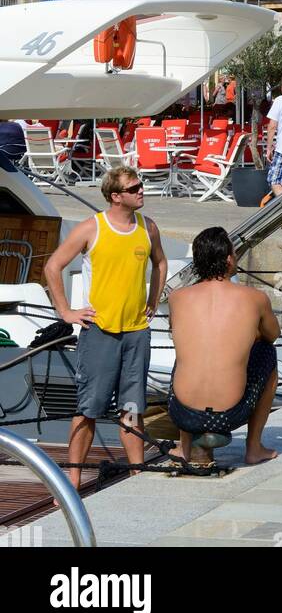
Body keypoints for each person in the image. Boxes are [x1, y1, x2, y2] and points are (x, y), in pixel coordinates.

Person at [44, 166, 168, 492]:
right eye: (135, 187)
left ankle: (138, 477)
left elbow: (161, 262)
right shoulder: (91, 228)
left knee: (132, 408)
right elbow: (52, 266)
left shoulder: (148, 227)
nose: (142, 190)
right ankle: (70, 482)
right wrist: (66, 311)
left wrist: (153, 299)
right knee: (88, 410)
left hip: (137, 331)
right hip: (99, 332)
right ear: (116, 196)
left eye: (141, 185)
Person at [167, 227, 280, 466]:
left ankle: (183, 447)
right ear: (229, 259)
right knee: (267, 353)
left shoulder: (177, 298)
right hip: (228, 416)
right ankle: (254, 447)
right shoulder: (255, 298)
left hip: (183, 414)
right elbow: (273, 335)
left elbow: (177, 332)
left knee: (186, 353)